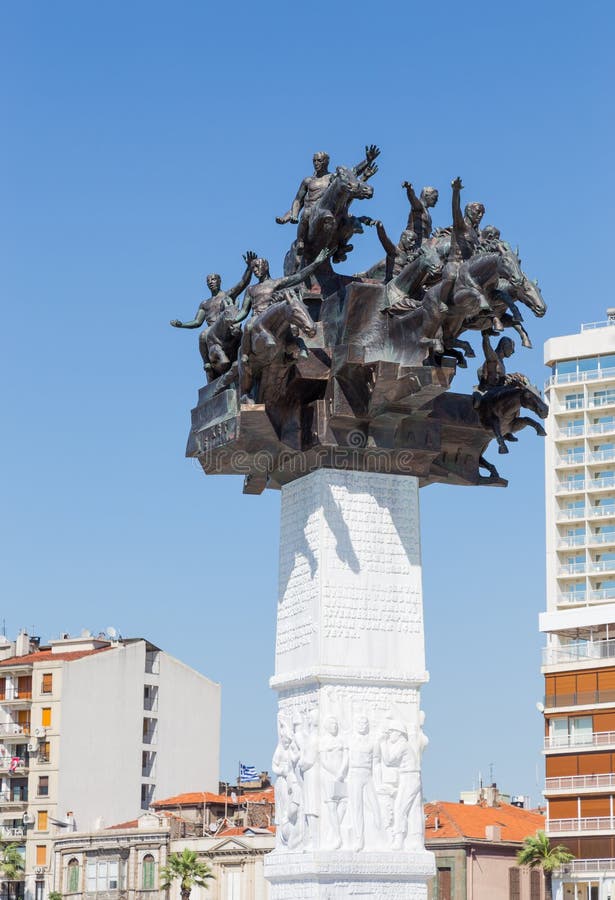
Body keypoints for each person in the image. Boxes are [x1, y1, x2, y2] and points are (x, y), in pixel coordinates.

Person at [276, 146, 380, 255]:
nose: (316, 163)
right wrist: (290, 217)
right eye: (314, 161)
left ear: (326, 162)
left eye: (319, 160)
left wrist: (367, 161)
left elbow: (352, 173)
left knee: (347, 219)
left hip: (329, 210)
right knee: (306, 213)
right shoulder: (308, 181)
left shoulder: (333, 177)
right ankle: (301, 241)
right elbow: (298, 200)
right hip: (311, 214)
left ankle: (340, 248)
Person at [170, 251, 256, 371]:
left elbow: (243, 283)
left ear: (219, 281)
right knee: (203, 335)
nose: (211, 282)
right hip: (212, 330)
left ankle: (247, 353)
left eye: (213, 279)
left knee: (241, 333)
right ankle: (206, 362)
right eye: (208, 281)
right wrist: (182, 324)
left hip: (227, 325)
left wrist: (249, 268)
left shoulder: (228, 295)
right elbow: (197, 322)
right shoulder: (205, 303)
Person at [348, 715, 382, 851]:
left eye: (365, 723)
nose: (362, 725)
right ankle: (359, 839)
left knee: (374, 805)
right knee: (357, 808)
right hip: (354, 775)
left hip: (367, 774)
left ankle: (381, 835)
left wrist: (378, 782)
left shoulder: (373, 742)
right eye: (360, 723)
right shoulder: (350, 741)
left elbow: (377, 763)